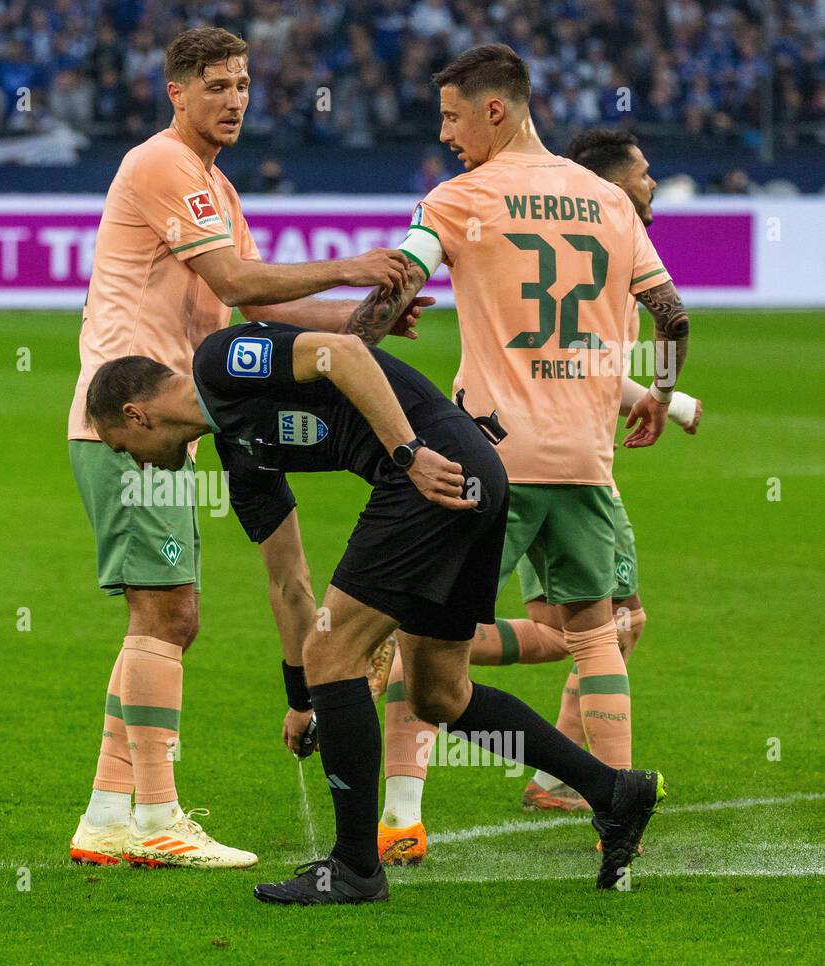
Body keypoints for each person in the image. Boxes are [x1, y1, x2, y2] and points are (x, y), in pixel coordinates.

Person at [83, 323, 667, 904]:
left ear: (137, 415)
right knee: (439, 692)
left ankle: (355, 867)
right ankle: (613, 792)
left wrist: (407, 453)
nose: (133, 463)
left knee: (334, 651)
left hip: (428, 473)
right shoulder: (240, 460)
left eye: (119, 447)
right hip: (468, 477)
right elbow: (290, 583)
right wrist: (300, 698)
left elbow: (342, 351)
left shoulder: (218, 361)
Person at [331, 45, 690, 869]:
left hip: (487, 460)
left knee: (421, 647)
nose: (447, 135)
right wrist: (662, 398)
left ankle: (402, 816)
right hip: (585, 460)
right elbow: (672, 317)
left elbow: (395, 287)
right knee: (599, 632)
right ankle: (614, 800)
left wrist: (340, 355)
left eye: (453, 116)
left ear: (496, 110)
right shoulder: (608, 200)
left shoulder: (457, 199)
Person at [67, 26, 416, 870]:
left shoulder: (214, 186)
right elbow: (237, 284)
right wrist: (349, 266)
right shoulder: (162, 165)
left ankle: (110, 815)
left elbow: (253, 312)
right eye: (216, 86)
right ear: (176, 92)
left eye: (243, 85)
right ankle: (157, 813)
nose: (234, 100)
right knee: (168, 615)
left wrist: (359, 319)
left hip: (172, 422)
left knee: (160, 617)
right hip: (133, 422)